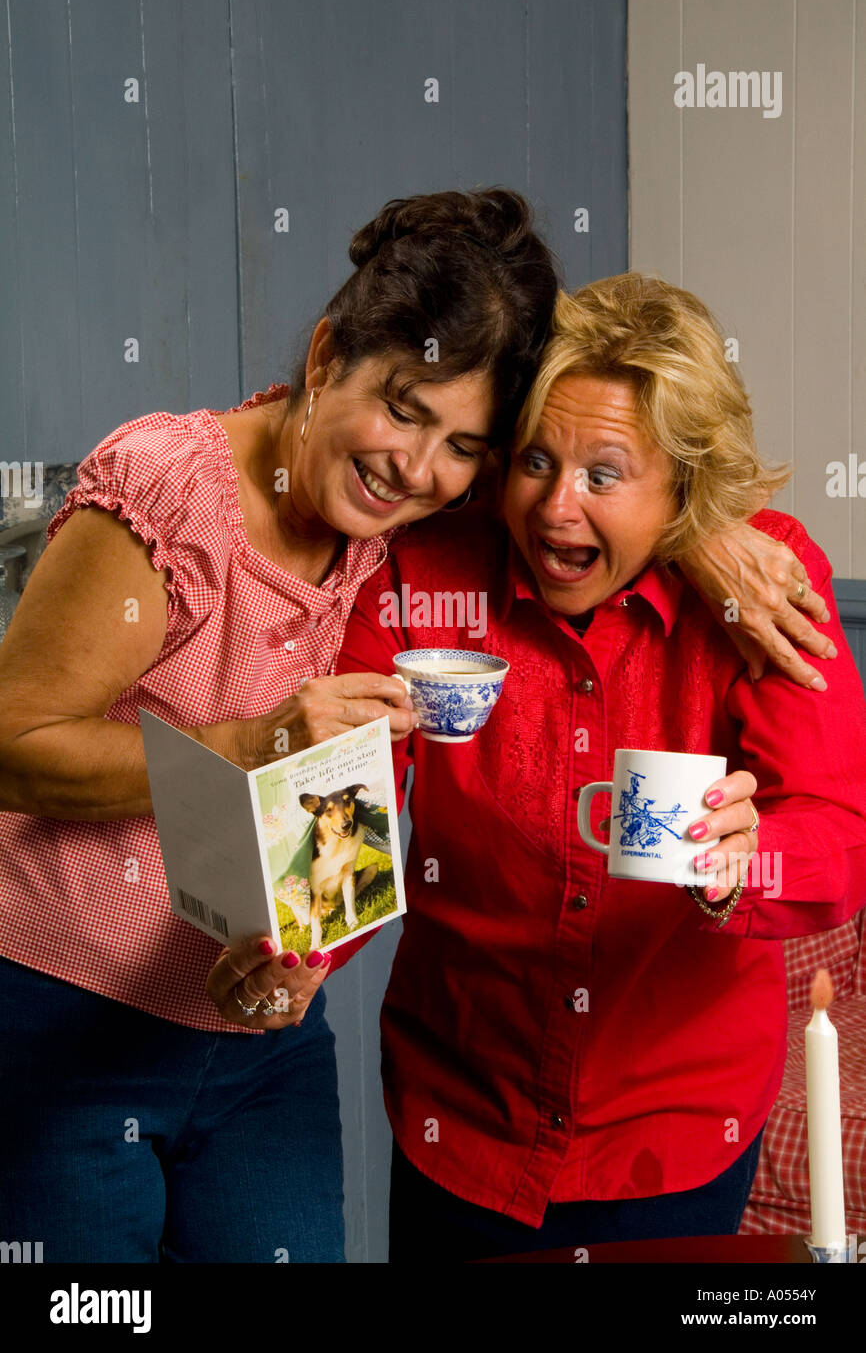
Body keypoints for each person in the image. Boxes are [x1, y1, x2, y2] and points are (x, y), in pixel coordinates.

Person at [0, 194, 830, 1263]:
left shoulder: (412, 520)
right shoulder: (174, 489)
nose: (415, 465)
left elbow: (593, 459)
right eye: (401, 407)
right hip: (72, 1021)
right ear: (324, 354)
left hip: (258, 1046)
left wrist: (703, 526)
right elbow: (15, 741)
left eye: (463, 447)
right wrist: (255, 744)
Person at [335, 272, 866, 1262]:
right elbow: (347, 798)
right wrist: (295, 945)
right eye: (537, 459)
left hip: (671, 1132)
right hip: (461, 1118)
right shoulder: (429, 570)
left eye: (605, 473)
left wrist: (744, 862)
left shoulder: (763, 583)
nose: (555, 507)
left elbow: (837, 835)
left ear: (683, 487)